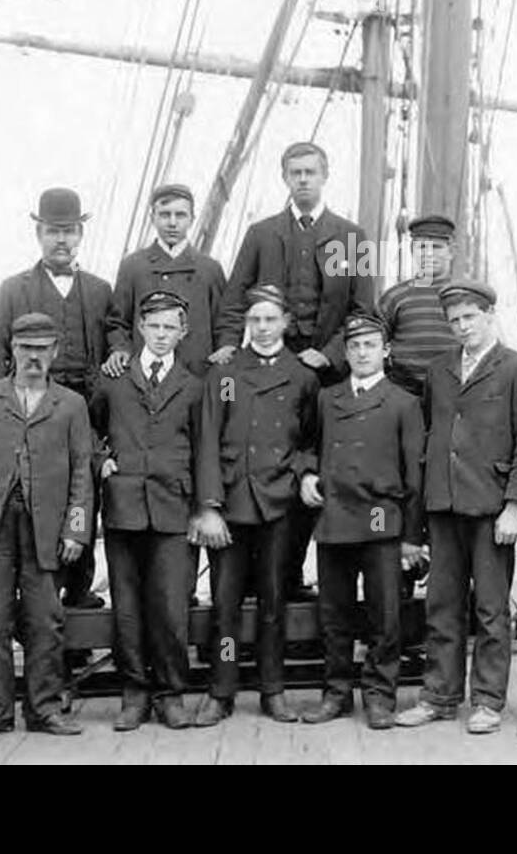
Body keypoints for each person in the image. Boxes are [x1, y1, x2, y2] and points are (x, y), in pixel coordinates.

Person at [212, 141, 374, 601]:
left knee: (319, 467)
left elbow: (366, 312)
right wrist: (227, 348)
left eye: (310, 172)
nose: (303, 179)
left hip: (326, 376)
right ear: (285, 177)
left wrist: (332, 354)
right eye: (295, 172)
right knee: (268, 458)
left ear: (325, 175)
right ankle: (260, 575)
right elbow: (233, 299)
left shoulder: (354, 238)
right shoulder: (261, 234)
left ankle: (295, 572)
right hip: (265, 371)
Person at [396, 279, 517, 735]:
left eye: (470, 318)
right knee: (441, 605)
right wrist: (417, 519)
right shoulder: (439, 371)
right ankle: (439, 696)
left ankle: (487, 700)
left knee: (490, 608)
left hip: (491, 507)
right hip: (443, 504)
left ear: (489, 316)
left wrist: (516, 506)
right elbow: (430, 441)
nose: (462, 327)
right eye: (454, 320)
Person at [0, 313, 93, 740]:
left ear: (55, 353)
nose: (34, 357)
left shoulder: (71, 405)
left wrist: (75, 531)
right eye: (26, 348)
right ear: (12, 350)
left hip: (46, 530)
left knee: (45, 621)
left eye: (42, 349)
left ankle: (45, 709)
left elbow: (82, 473)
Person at [0, 186, 113, 610]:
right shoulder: (13, 289)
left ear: (80, 235)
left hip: (86, 416)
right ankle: (37, 595)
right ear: (39, 233)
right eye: (53, 231)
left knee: (83, 496)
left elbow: (113, 356)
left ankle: (78, 589)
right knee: (36, 499)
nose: (62, 240)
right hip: (32, 414)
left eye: (70, 231)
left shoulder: (98, 290)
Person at [192, 285, 320, 725]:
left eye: (271, 320)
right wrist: (209, 506)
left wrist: (304, 474)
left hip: (279, 504)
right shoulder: (225, 375)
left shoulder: (303, 377)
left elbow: (310, 441)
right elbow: (208, 439)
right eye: (255, 321)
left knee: (273, 603)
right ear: (246, 324)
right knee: (225, 605)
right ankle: (221, 689)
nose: (263, 329)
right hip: (230, 504)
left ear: (286, 322)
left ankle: (273, 688)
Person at [298, 313, 424, 730]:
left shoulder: (403, 402)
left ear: (385, 351)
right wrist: (309, 474)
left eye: (370, 345)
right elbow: (307, 447)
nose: (362, 353)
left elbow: (414, 476)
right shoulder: (327, 398)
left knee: (382, 613)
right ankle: (336, 692)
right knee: (333, 613)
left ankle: (379, 695)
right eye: (355, 346)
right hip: (334, 514)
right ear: (346, 352)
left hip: (378, 516)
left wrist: (410, 536)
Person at [89, 290, 204, 732]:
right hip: (124, 508)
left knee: (171, 608)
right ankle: (134, 691)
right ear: (140, 328)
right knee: (129, 608)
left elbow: (205, 449)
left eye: (169, 327)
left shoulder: (195, 387)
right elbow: (90, 431)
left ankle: (171, 693)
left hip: (174, 509)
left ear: (183, 331)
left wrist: (203, 506)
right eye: (153, 326)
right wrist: (102, 462)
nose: (160, 335)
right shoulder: (113, 382)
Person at [105, 183, 227, 377]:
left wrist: (224, 384)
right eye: (164, 214)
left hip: (196, 378)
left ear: (192, 219)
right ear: (152, 217)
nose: (172, 223)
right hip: (144, 378)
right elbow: (117, 322)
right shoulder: (133, 266)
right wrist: (121, 350)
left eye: (180, 215)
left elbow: (225, 325)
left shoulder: (209, 269)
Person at [377, 214, 460, 398]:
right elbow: (375, 344)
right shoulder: (395, 297)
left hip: (453, 394)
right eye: (422, 247)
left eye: (437, 247)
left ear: (451, 251)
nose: (429, 254)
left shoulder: (463, 297)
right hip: (403, 394)